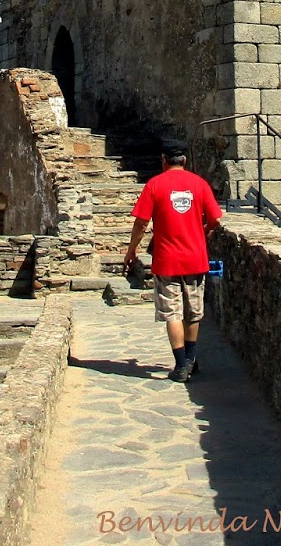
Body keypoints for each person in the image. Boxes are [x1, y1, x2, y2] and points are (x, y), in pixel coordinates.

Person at [122, 142, 223, 382]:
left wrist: (132, 250)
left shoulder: (155, 185)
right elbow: (216, 219)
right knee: (193, 311)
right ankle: (190, 360)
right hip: (196, 257)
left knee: (173, 312)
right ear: (185, 161)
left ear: (163, 160)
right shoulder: (199, 184)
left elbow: (142, 222)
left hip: (167, 259)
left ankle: (180, 366)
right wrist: (203, 229)